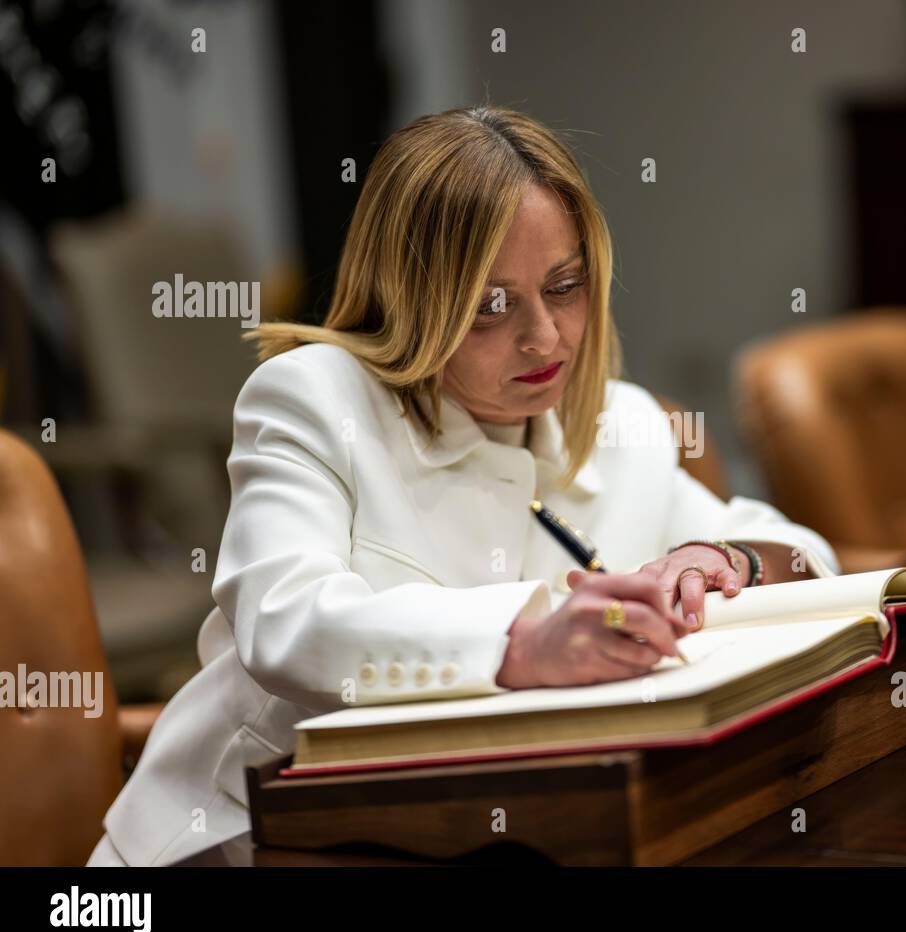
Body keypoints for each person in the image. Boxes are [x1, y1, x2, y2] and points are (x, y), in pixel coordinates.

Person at [87, 106, 839, 866]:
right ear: (412, 297)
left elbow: (806, 553)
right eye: (490, 306)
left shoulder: (624, 422)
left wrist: (726, 560)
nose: (544, 337)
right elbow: (286, 623)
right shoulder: (315, 398)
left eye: (566, 286)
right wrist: (525, 642)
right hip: (259, 837)